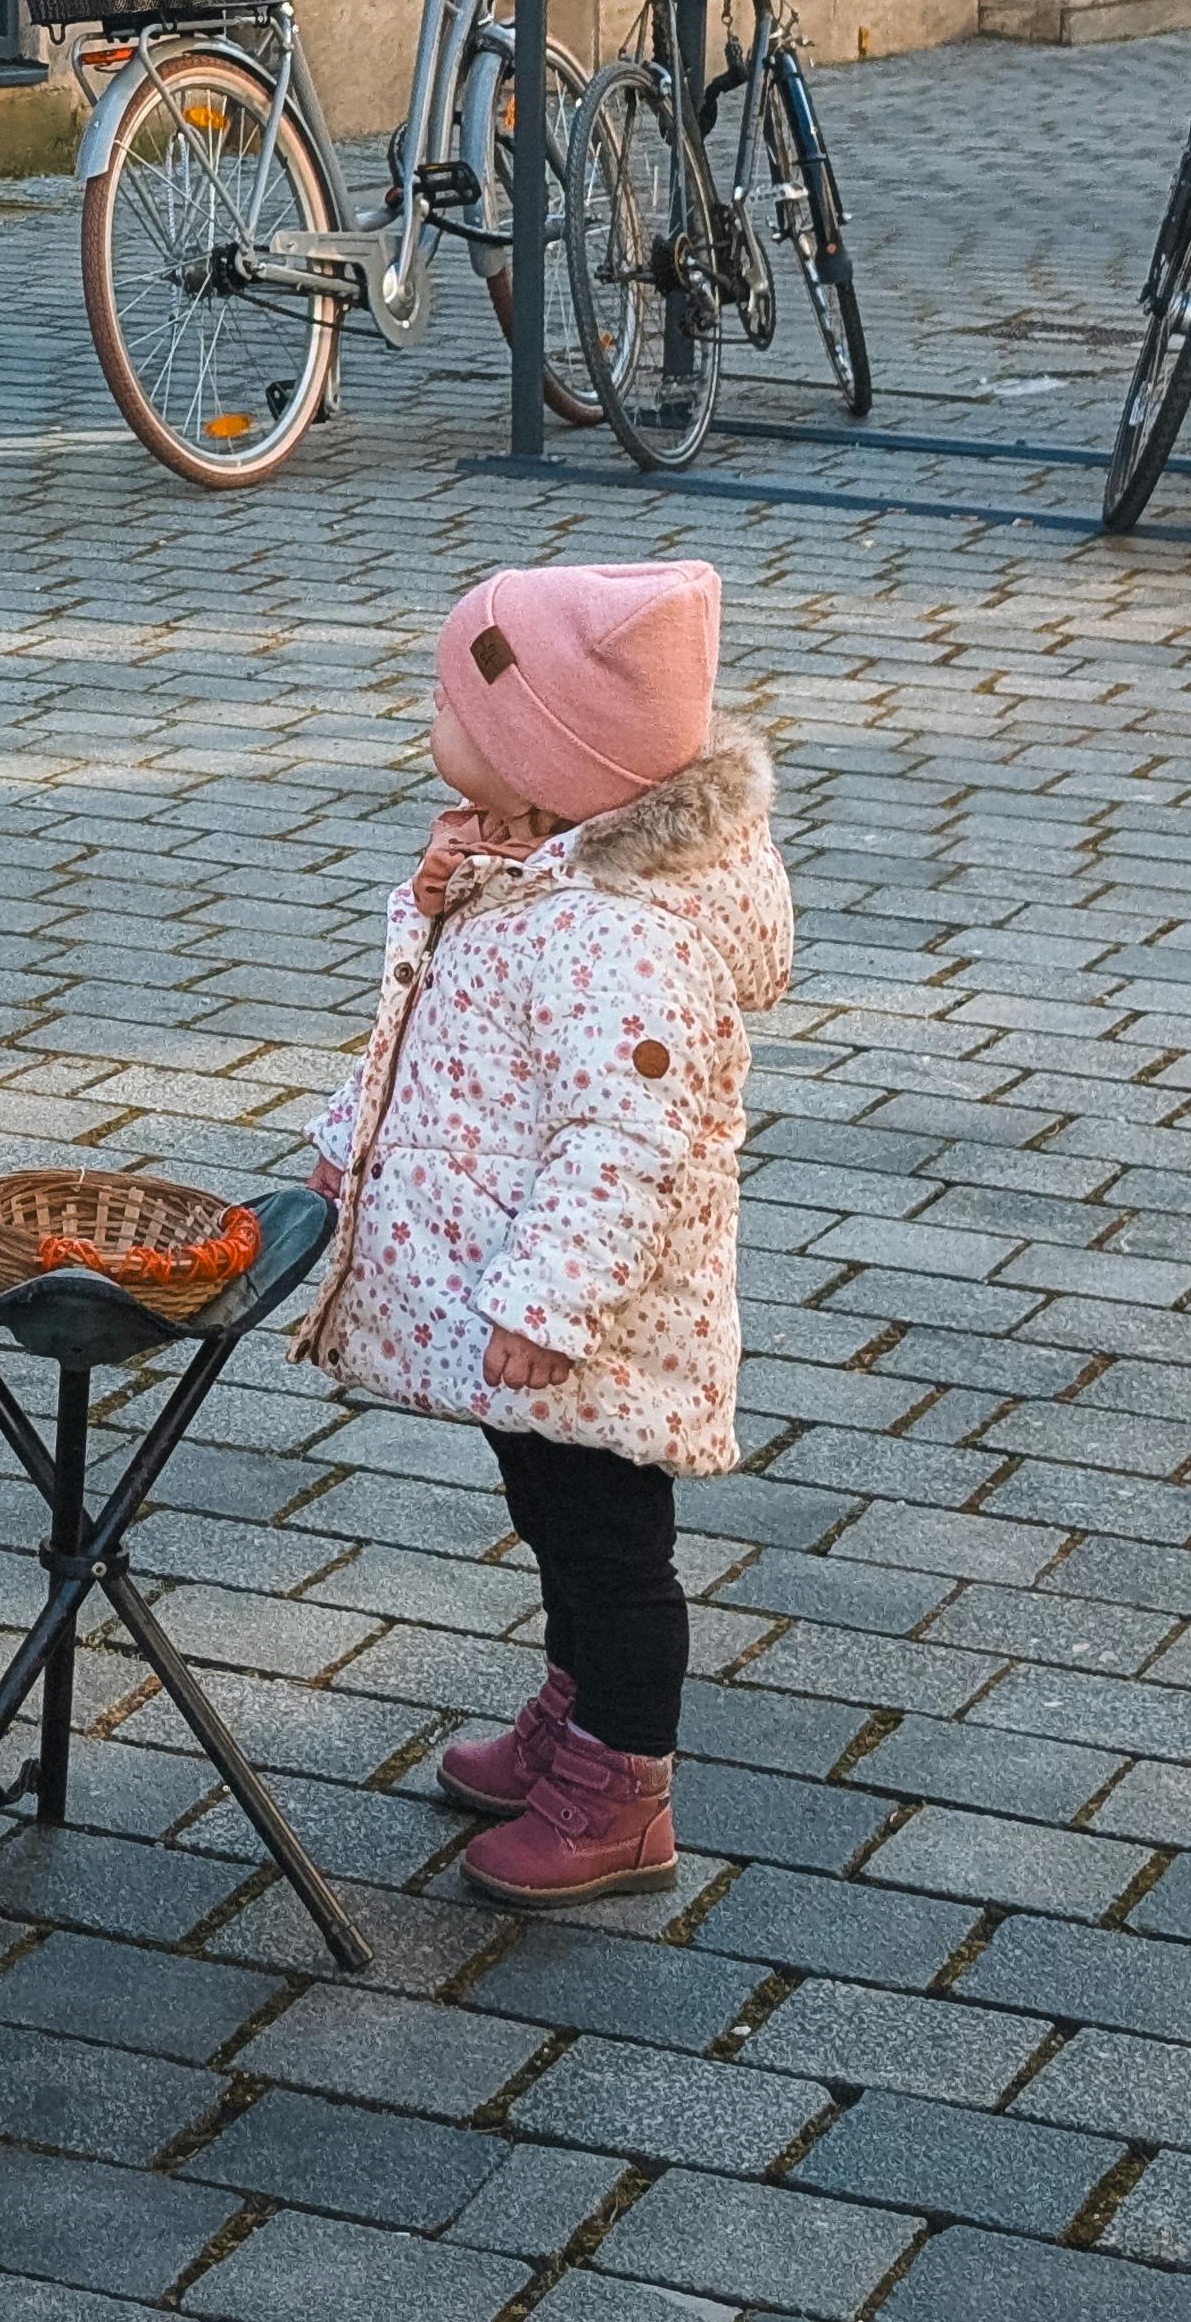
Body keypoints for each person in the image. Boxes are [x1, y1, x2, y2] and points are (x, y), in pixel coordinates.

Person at [294, 559, 791, 1907]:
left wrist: (552, 1304)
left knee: (610, 1550)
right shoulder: (537, 877)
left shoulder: (617, 936)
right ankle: (574, 1717)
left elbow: (626, 1143)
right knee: (551, 1518)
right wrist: (348, 1154)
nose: (432, 726)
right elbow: (432, 1037)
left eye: (456, 707)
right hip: (530, 1303)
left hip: (591, 1324)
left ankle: (624, 1788)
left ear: (548, 759)